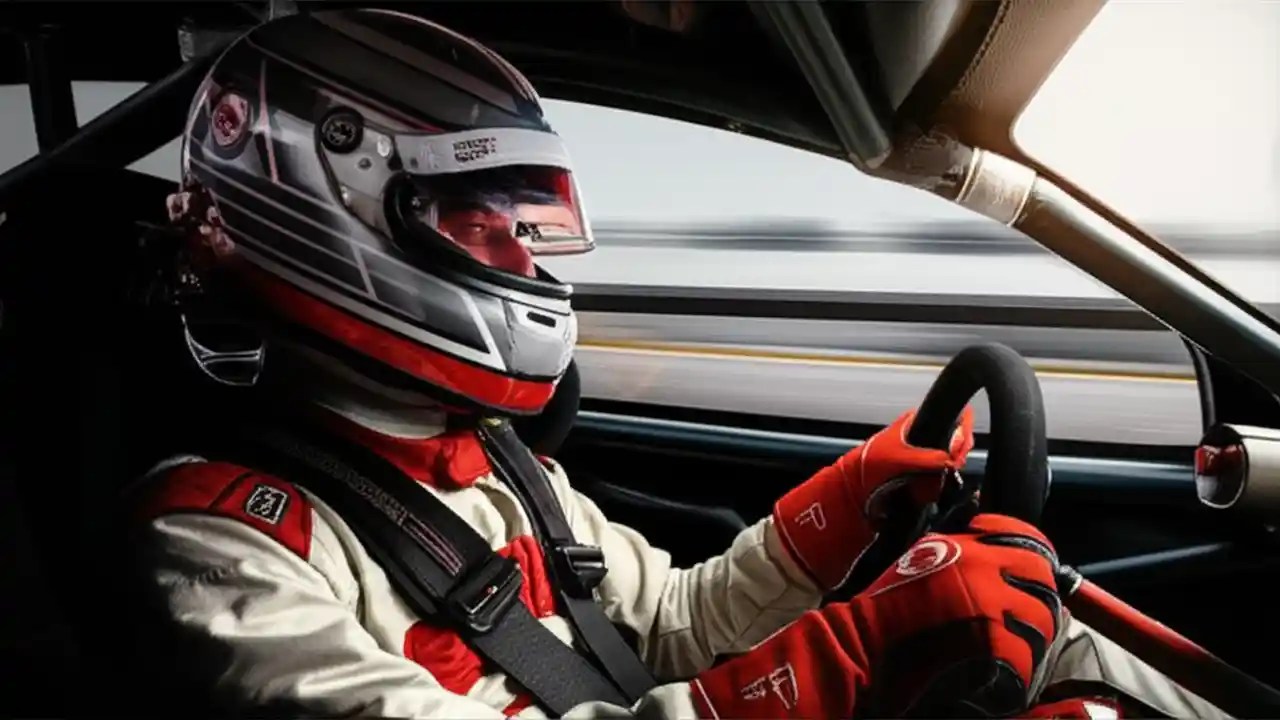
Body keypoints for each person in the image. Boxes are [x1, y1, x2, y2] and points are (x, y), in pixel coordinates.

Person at [129, 8, 1228, 719]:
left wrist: (825, 520)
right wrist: (828, 669)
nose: (519, 252)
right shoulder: (217, 541)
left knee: (1059, 661)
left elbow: (665, 629)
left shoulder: (497, 463)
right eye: (478, 219)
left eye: (527, 221)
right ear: (328, 215)